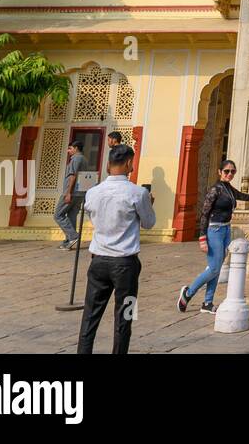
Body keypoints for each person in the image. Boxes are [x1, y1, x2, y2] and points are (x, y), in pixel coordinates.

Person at [77, 144, 155, 354]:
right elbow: (149, 223)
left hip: (99, 262)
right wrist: (150, 204)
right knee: (126, 316)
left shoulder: (93, 192)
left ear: (109, 164)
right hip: (126, 264)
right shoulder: (138, 193)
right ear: (129, 163)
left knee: (90, 316)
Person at [178, 160, 249, 314]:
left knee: (215, 268)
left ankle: (207, 302)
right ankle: (188, 293)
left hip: (225, 230)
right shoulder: (215, 190)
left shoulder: (228, 189)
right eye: (227, 171)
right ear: (219, 172)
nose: (229, 174)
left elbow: (245, 197)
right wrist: (202, 237)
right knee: (214, 268)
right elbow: (204, 214)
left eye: (232, 171)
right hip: (214, 230)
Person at [55, 140, 87, 250]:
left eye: (70, 148)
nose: (68, 151)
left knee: (58, 215)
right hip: (80, 193)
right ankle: (69, 242)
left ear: (76, 148)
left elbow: (73, 176)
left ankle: (73, 236)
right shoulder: (84, 159)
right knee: (71, 216)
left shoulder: (76, 159)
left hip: (72, 192)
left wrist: (68, 193)